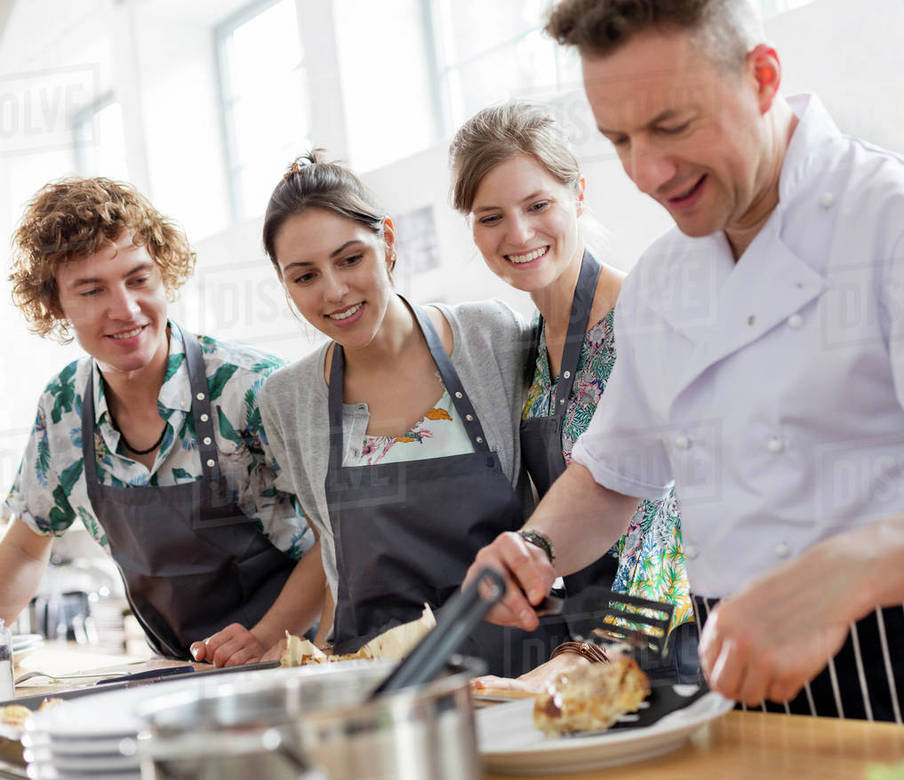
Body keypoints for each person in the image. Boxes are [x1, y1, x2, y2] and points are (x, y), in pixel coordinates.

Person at [462, 0, 904, 723]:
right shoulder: (664, 281)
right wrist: (534, 546)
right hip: (740, 700)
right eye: (621, 139)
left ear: (762, 77)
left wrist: (839, 576)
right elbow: (609, 479)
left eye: (673, 126)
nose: (649, 171)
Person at [257, 153, 569, 675]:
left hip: (517, 671)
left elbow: (567, 495)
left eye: (350, 259)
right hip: (382, 688)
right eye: (305, 276)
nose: (334, 291)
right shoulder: (287, 400)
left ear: (389, 242)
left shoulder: (493, 338)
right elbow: (334, 559)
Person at [0, 177, 322, 665]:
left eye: (138, 279)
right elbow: (25, 548)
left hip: (293, 660)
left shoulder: (250, 387)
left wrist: (267, 636)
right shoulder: (63, 408)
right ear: (55, 305)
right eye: (91, 290)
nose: (125, 309)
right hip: (176, 673)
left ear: (163, 272)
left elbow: (337, 531)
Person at [449, 101, 699, 691]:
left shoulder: (643, 317)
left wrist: (582, 660)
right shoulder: (529, 345)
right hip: (575, 647)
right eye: (491, 217)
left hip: (661, 650)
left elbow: (667, 528)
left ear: (578, 195)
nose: (519, 234)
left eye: (538, 205)